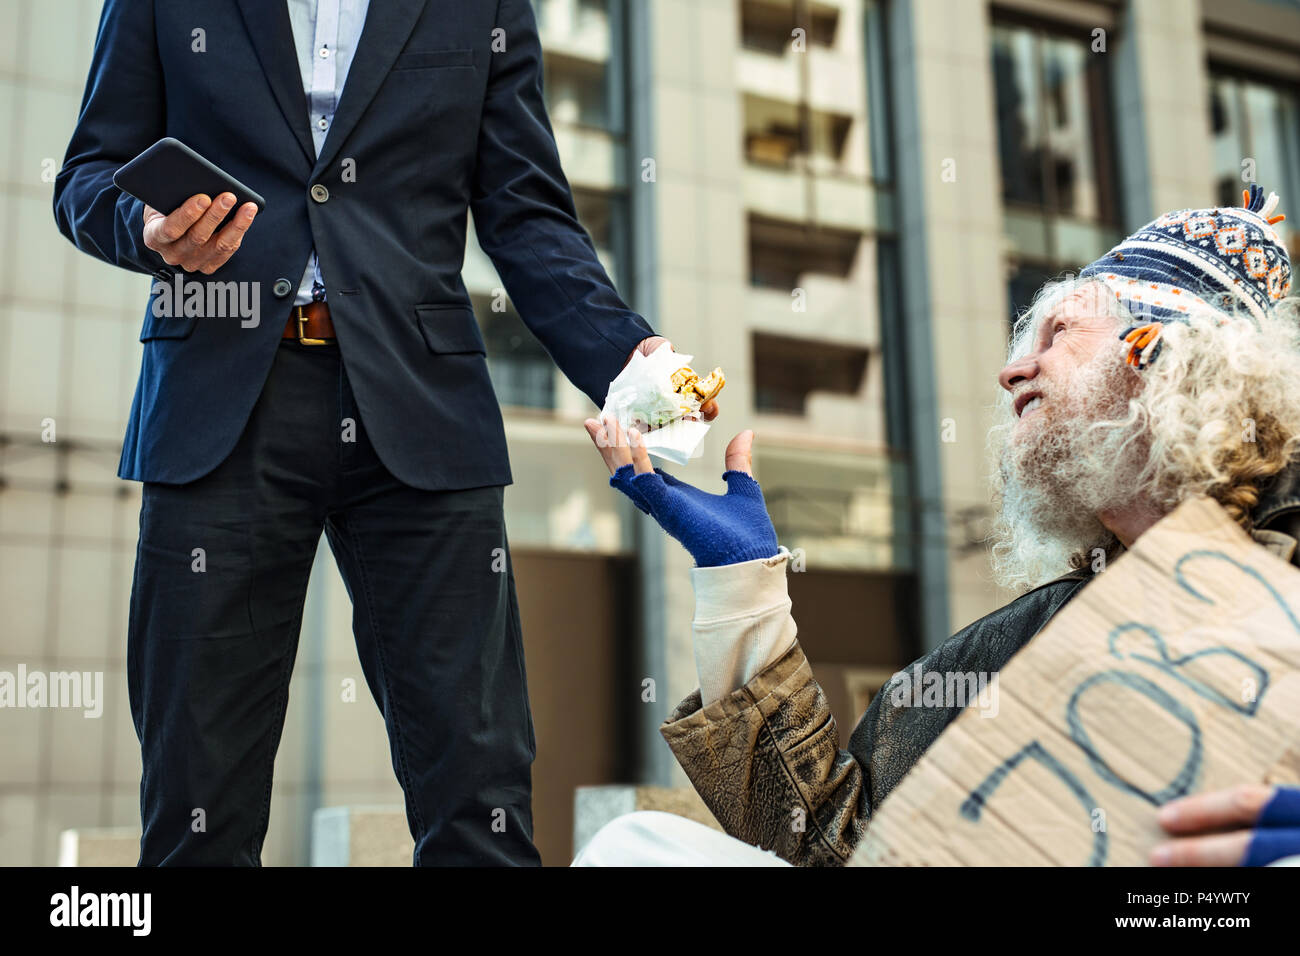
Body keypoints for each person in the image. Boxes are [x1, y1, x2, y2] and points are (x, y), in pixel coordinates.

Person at [53, 0, 715, 866]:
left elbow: (526, 212)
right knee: (195, 802)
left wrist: (635, 366)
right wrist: (144, 229)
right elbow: (87, 175)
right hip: (220, 404)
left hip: (422, 402)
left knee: (481, 790)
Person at [577, 186, 1300, 867]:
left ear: (1162, 351)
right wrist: (743, 590)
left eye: (1058, 331)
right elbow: (833, 841)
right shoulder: (1033, 632)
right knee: (636, 848)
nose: (1013, 372)